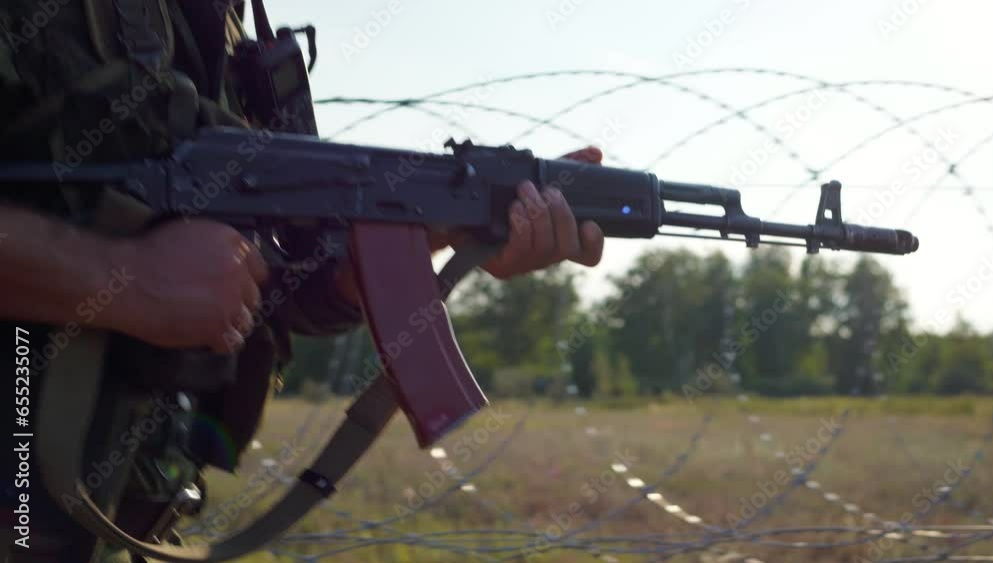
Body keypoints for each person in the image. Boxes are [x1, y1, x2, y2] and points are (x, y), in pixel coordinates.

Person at [0, 1, 605, 560]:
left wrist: (406, 242)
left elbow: (264, 279)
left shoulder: (222, 15)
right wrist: (125, 282)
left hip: (121, 521)